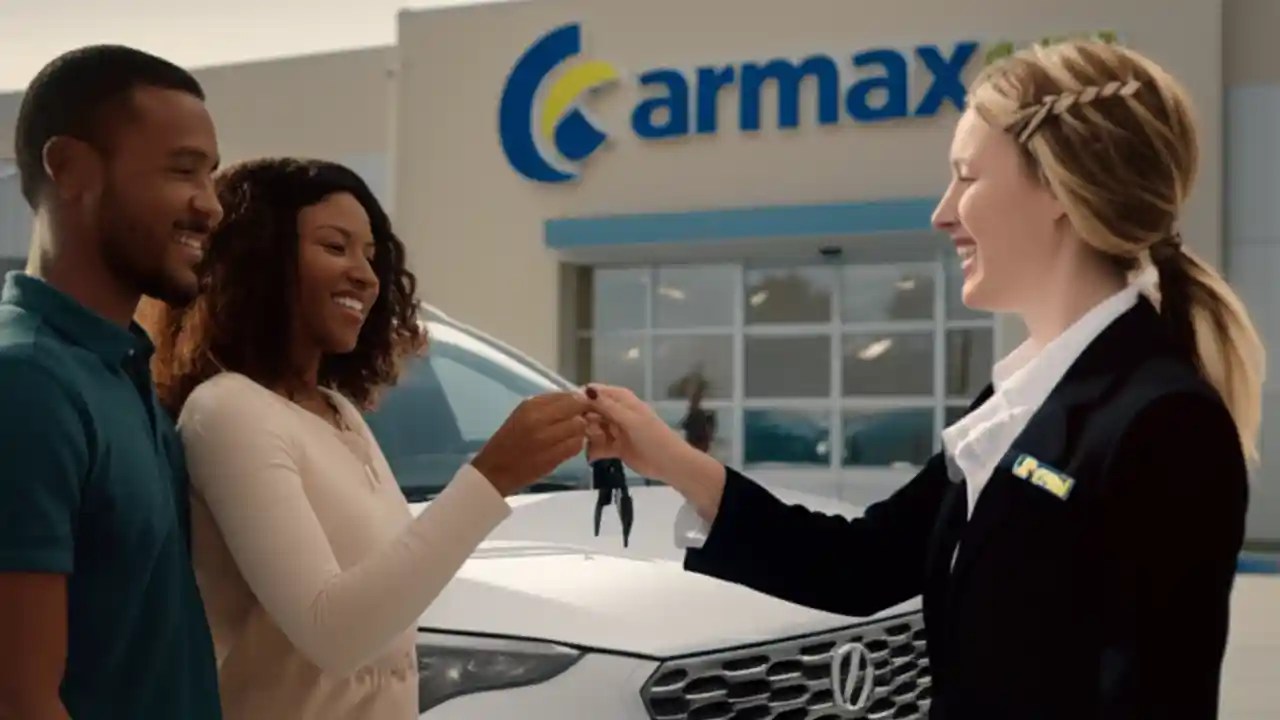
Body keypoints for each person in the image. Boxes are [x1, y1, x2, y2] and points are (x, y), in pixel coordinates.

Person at [584, 39, 1262, 720]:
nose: (942, 212)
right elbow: (864, 563)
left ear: (1059, 186)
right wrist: (670, 459)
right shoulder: (1017, 402)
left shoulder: (1164, 422)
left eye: (968, 176)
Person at [138, 157, 588, 719]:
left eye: (371, 256)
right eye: (335, 247)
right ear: (261, 262)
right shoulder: (228, 411)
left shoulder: (338, 411)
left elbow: (389, 605)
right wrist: (493, 476)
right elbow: (334, 634)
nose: (365, 275)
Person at [0, 46, 224, 719]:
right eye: (183, 171)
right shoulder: (27, 383)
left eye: (211, 176)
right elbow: (21, 702)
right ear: (69, 169)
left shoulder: (118, 365)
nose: (210, 206)